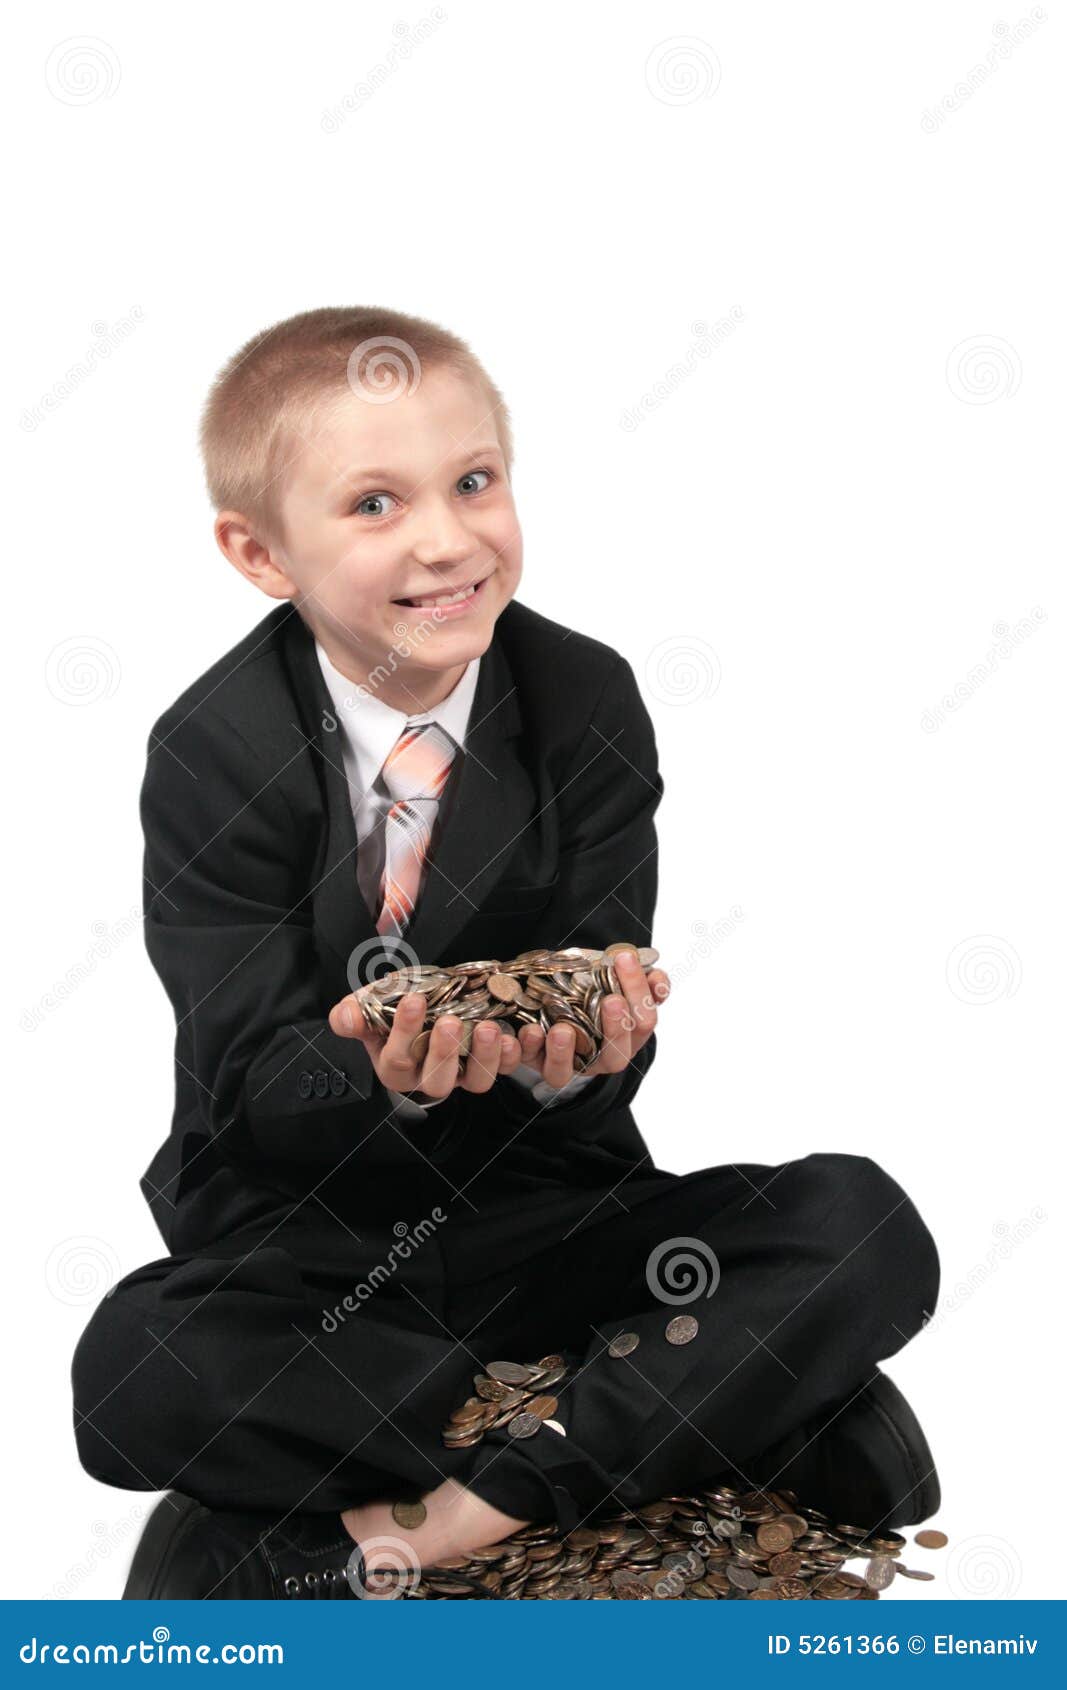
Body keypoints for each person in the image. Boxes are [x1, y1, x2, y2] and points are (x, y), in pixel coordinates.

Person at [71, 306, 941, 1600]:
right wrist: (385, 1067)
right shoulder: (213, 748)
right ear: (261, 553)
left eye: (475, 481)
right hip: (314, 1252)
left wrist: (590, 1045)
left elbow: (596, 1005)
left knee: (861, 1221)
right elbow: (250, 1084)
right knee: (136, 1366)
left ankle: (456, 1507)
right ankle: (722, 1422)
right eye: (375, 503)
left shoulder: (583, 696)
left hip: (554, 1220)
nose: (447, 537)